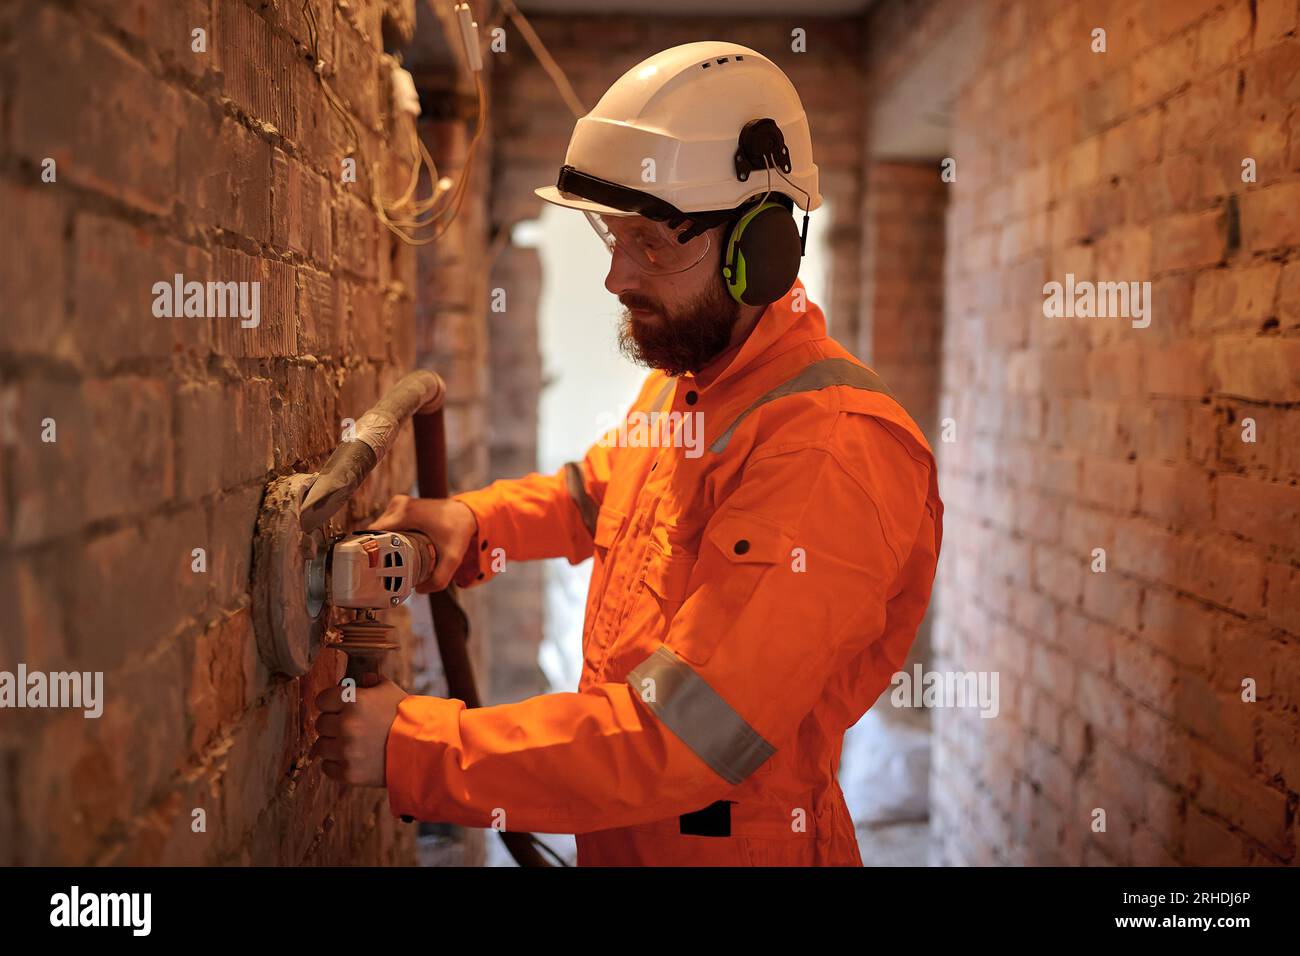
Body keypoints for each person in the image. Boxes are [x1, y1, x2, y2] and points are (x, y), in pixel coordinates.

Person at [311, 40, 944, 866]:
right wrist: (476, 522)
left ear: (764, 248)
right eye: (612, 235)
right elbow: (595, 495)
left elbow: (681, 738)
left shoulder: (835, 451)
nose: (617, 276)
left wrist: (421, 749)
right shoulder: (695, 379)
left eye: (652, 243)